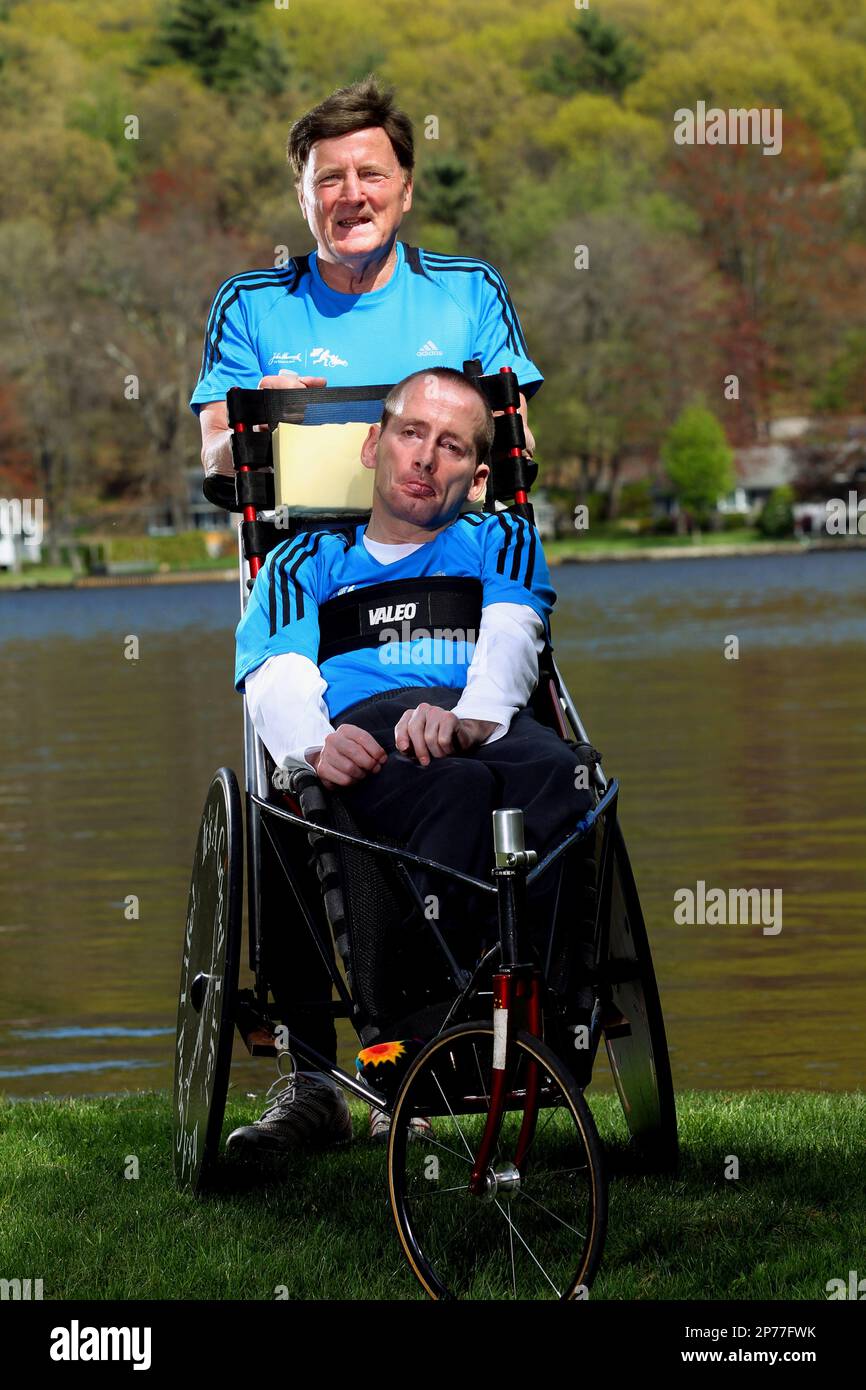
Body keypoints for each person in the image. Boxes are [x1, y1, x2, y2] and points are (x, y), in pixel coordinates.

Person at [225, 368, 593, 1159]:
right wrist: (314, 746)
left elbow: (513, 637)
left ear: (479, 474)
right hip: (368, 728)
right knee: (455, 795)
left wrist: (468, 719)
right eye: (411, 434)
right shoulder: (305, 560)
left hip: (481, 716)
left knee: (566, 780)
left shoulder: (503, 539)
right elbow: (276, 672)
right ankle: (428, 1036)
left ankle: (549, 1013)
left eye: (452, 445)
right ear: (374, 444)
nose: (426, 457)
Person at [190, 75, 541, 478]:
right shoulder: (246, 302)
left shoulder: (474, 289)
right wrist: (262, 425)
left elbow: (521, 441)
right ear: (303, 198)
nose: (352, 194)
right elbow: (214, 459)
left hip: (450, 533)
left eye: (372, 174)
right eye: (329, 178)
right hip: (303, 539)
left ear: (406, 190)